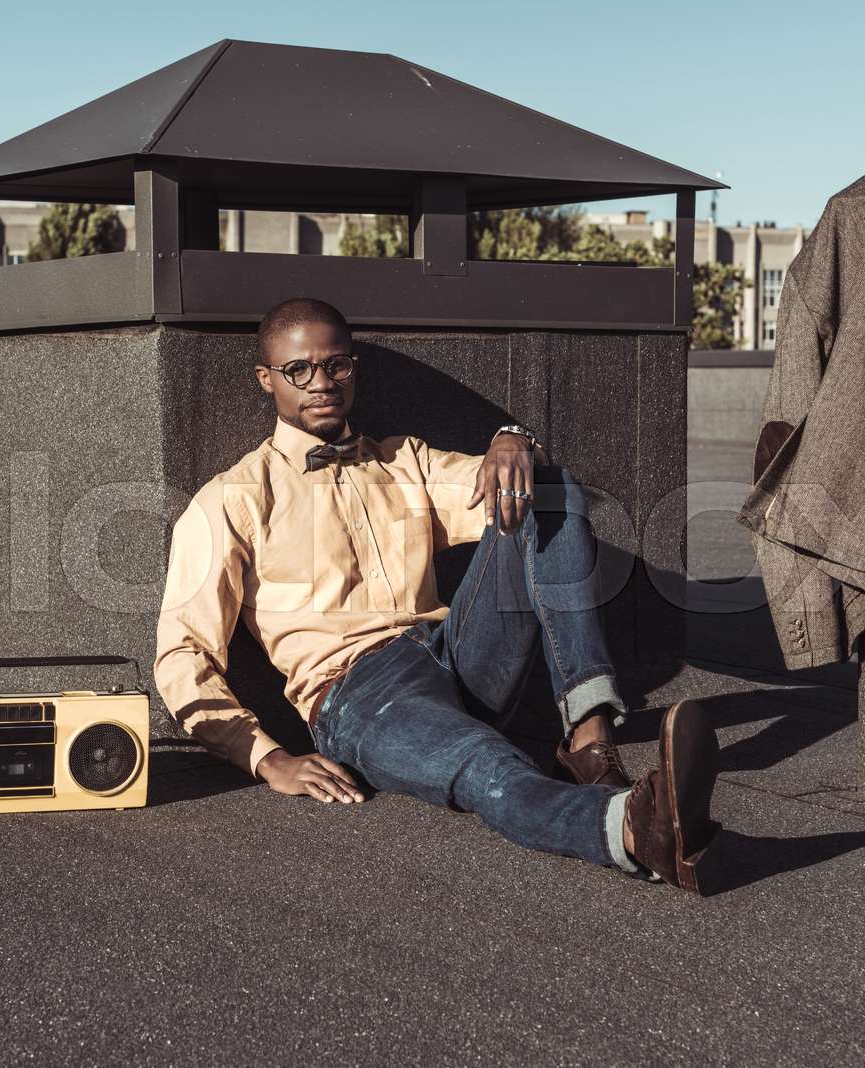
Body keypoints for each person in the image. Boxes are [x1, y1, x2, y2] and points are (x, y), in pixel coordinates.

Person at [154, 297, 724, 892]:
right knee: (487, 766)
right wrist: (269, 759)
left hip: (453, 653)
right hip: (357, 697)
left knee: (545, 492)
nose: (321, 383)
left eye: (336, 365)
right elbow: (182, 655)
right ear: (267, 380)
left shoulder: (406, 459)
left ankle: (589, 733)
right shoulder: (231, 499)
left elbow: (508, 488)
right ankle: (634, 828)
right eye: (299, 370)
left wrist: (514, 440)